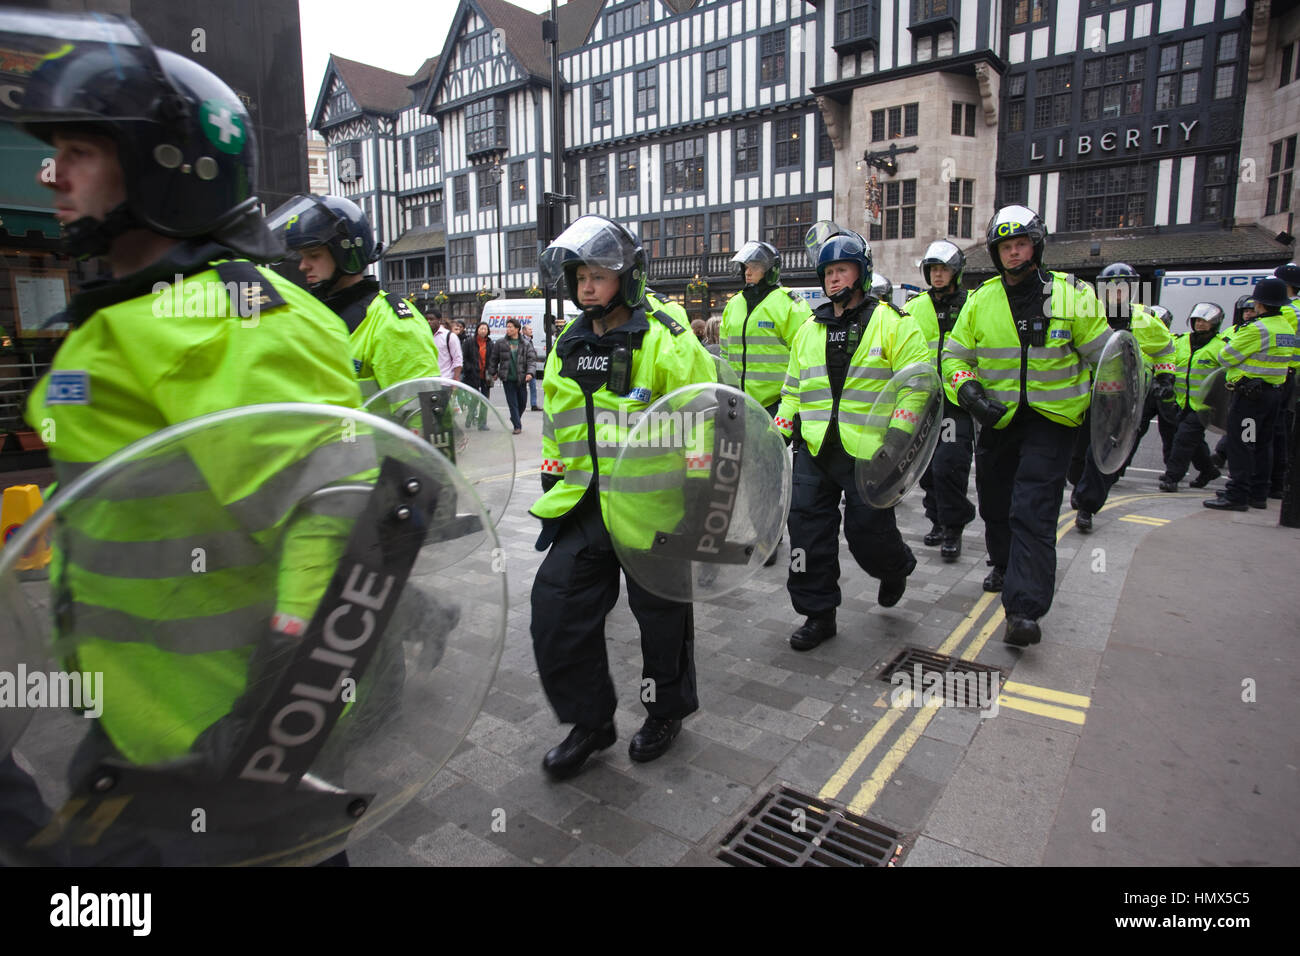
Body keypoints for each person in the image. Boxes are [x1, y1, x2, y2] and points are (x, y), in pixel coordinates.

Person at [10, 16, 366, 863]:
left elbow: (340, 524)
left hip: (224, 760)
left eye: (80, 151)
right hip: (138, 739)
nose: (49, 173)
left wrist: (269, 735)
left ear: (169, 165)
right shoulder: (130, 312)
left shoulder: (230, 316)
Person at [530, 215, 715, 778]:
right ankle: (591, 722)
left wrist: (702, 499)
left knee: (661, 621)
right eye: (579, 275)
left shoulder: (667, 335)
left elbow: (703, 417)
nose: (587, 285)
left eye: (599, 274)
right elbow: (557, 422)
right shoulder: (569, 341)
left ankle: (665, 711)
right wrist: (553, 473)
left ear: (628, 276)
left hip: (654, 511)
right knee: (556, 611)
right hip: (584, 508)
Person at [942, 205, 1110, 647]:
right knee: (995, 505)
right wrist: (969, 392)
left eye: (1021, 245)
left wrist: (1111, 407)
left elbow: (1107, 362)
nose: (1014, 254)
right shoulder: (980, 300)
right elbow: (954, 357)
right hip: (996, 419)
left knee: (1032, 512)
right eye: (1005, 247)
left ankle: (1024, 610)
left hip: (1053, 423)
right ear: (996, 254)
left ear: (1036, 246)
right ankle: (1002, 563)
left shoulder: (1074, 296)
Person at [773, 230, 929, 651]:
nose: (834, 279)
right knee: (806, 533)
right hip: (816, 449)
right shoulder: (808, 329)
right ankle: (817, 614)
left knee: (868, 535)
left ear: (861, 273)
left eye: (842, 270)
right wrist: (779, 434)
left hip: (870, 453)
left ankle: (895, 567)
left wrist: (899, 435)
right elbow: (793, 391)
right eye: (828, 272)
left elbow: (917, 385)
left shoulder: (894, 323)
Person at [268, 193, 439, 398]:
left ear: (346, 253)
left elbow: (425, 418)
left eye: (314, 255)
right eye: (302, 256)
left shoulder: (392, 324)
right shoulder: (312, 314)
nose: (303, 266)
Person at [1068, 262, 1176, 533]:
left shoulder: (1145, 321)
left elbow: (1165, 349)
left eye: (1123, 288)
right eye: (1111, 287)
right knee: (1076, 453)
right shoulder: (1085, 315)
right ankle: (1079, 486)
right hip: (1081, 395)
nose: (1117, 293)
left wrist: (1165, 378)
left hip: (1118, 399)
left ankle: (1087, 506)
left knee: (1102, 454)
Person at [1203, 277, 1300, 510]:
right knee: (1263, 444)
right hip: (1274, 393)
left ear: (1259, 303)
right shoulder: (1285, 326)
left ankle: (1237, 495)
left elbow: (1225, 357)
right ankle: (1258, 493)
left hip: (1250, 397)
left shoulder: (1257, 329)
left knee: (1242, 444)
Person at [910, 239, 976, 561]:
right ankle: (937, 520)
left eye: (944, 269)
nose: (937, 275)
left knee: (949, 465)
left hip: (956, 402)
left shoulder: (972, 304)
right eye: (933, 269)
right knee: (926, 468)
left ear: (957, 272)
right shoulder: (913, 307)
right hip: (924, 401)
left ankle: (953, 529)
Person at [1157, 303, 1231, 492]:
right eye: (1197, 320)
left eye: (1205, 321)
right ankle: (1208, 470)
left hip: (1204, 404)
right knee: (1194, 441)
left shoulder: (1221, 346)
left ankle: (1173, 477)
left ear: (1214, 323)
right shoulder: (1180, 341)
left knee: (1183, 439)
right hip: (1181, 401)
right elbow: (1167, 362)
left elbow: (1227, 374)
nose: (1200, 324)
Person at [489, 317, 536, 434]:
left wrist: (530, 373)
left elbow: (531, 360)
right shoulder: (501, 343)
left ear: (517, 329)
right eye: (507, 327)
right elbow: (494, 359)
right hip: (507, 378)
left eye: (510, 327)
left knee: (523, 403)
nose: (508, 329)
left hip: (521, 378)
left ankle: (515, 418)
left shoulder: (525, 344)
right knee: (512, 403)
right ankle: (517, 425)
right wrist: (493, 372)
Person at [461, 320, 496, 430]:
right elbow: (463, 357)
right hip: (473, 375)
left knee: (485, 400)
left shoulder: (490, 344)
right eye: (481, 328)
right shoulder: (469, 342)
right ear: (477, 330)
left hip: (485, 375)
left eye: (485, 329)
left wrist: (493, 371)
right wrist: (469, 368)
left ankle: (482, 423)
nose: (483, 331)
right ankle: (470, 417)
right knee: (475, 399)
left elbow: (493, 359)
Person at [430, 310, 463, 382]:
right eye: (426, 319)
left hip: (445, 381)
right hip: (427, 382)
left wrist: (455, 380)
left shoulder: (449, 336)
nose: (428, 321)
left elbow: (457, 360)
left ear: (439, 320)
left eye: (431, 319)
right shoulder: (424, 336)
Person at [523, 324, 543, 410]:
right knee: (523, 388)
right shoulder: (522, 341)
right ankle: (523, 403)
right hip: (524, 367)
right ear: (524, 331)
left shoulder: (530, 340)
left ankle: (533, 404)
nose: (531, 331)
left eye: (531, 329)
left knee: (533, 386)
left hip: (531, 366)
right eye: (529, 329)